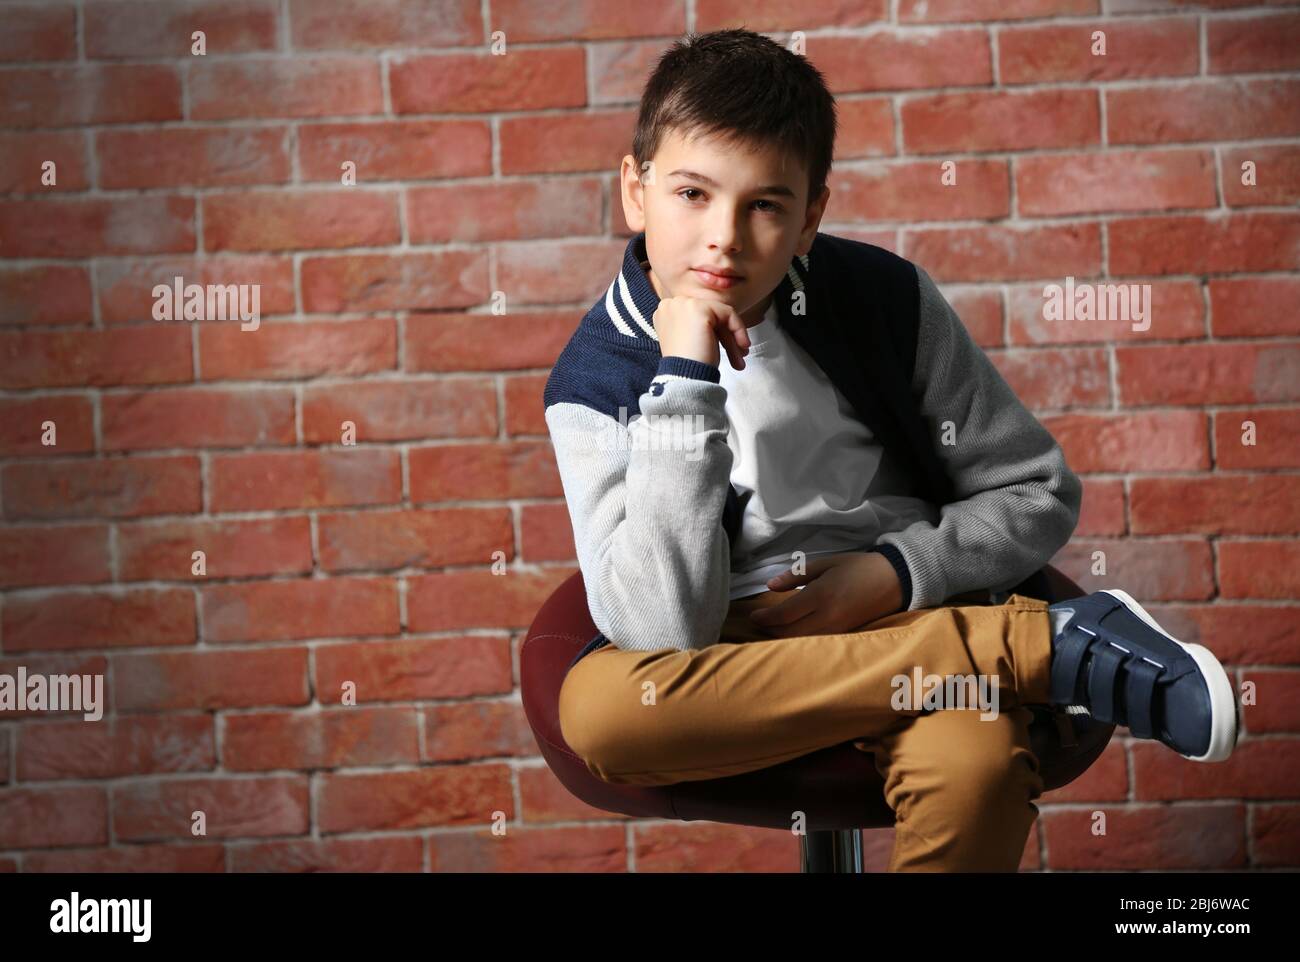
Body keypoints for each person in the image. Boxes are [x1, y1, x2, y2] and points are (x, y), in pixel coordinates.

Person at [541, 28, 1240, 871]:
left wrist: (898, 573)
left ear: (810, 218)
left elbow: (1036, 492)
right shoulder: (591, 382)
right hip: (724, 662)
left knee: (977, 762)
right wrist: (684, 373)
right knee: (607, 716)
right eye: (692, 193)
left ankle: (998, 654)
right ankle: (1042, 649)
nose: (724, 236)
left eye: (765, 204)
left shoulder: (883, 301)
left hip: (906, 608)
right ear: (635, 190)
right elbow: (662, 630)